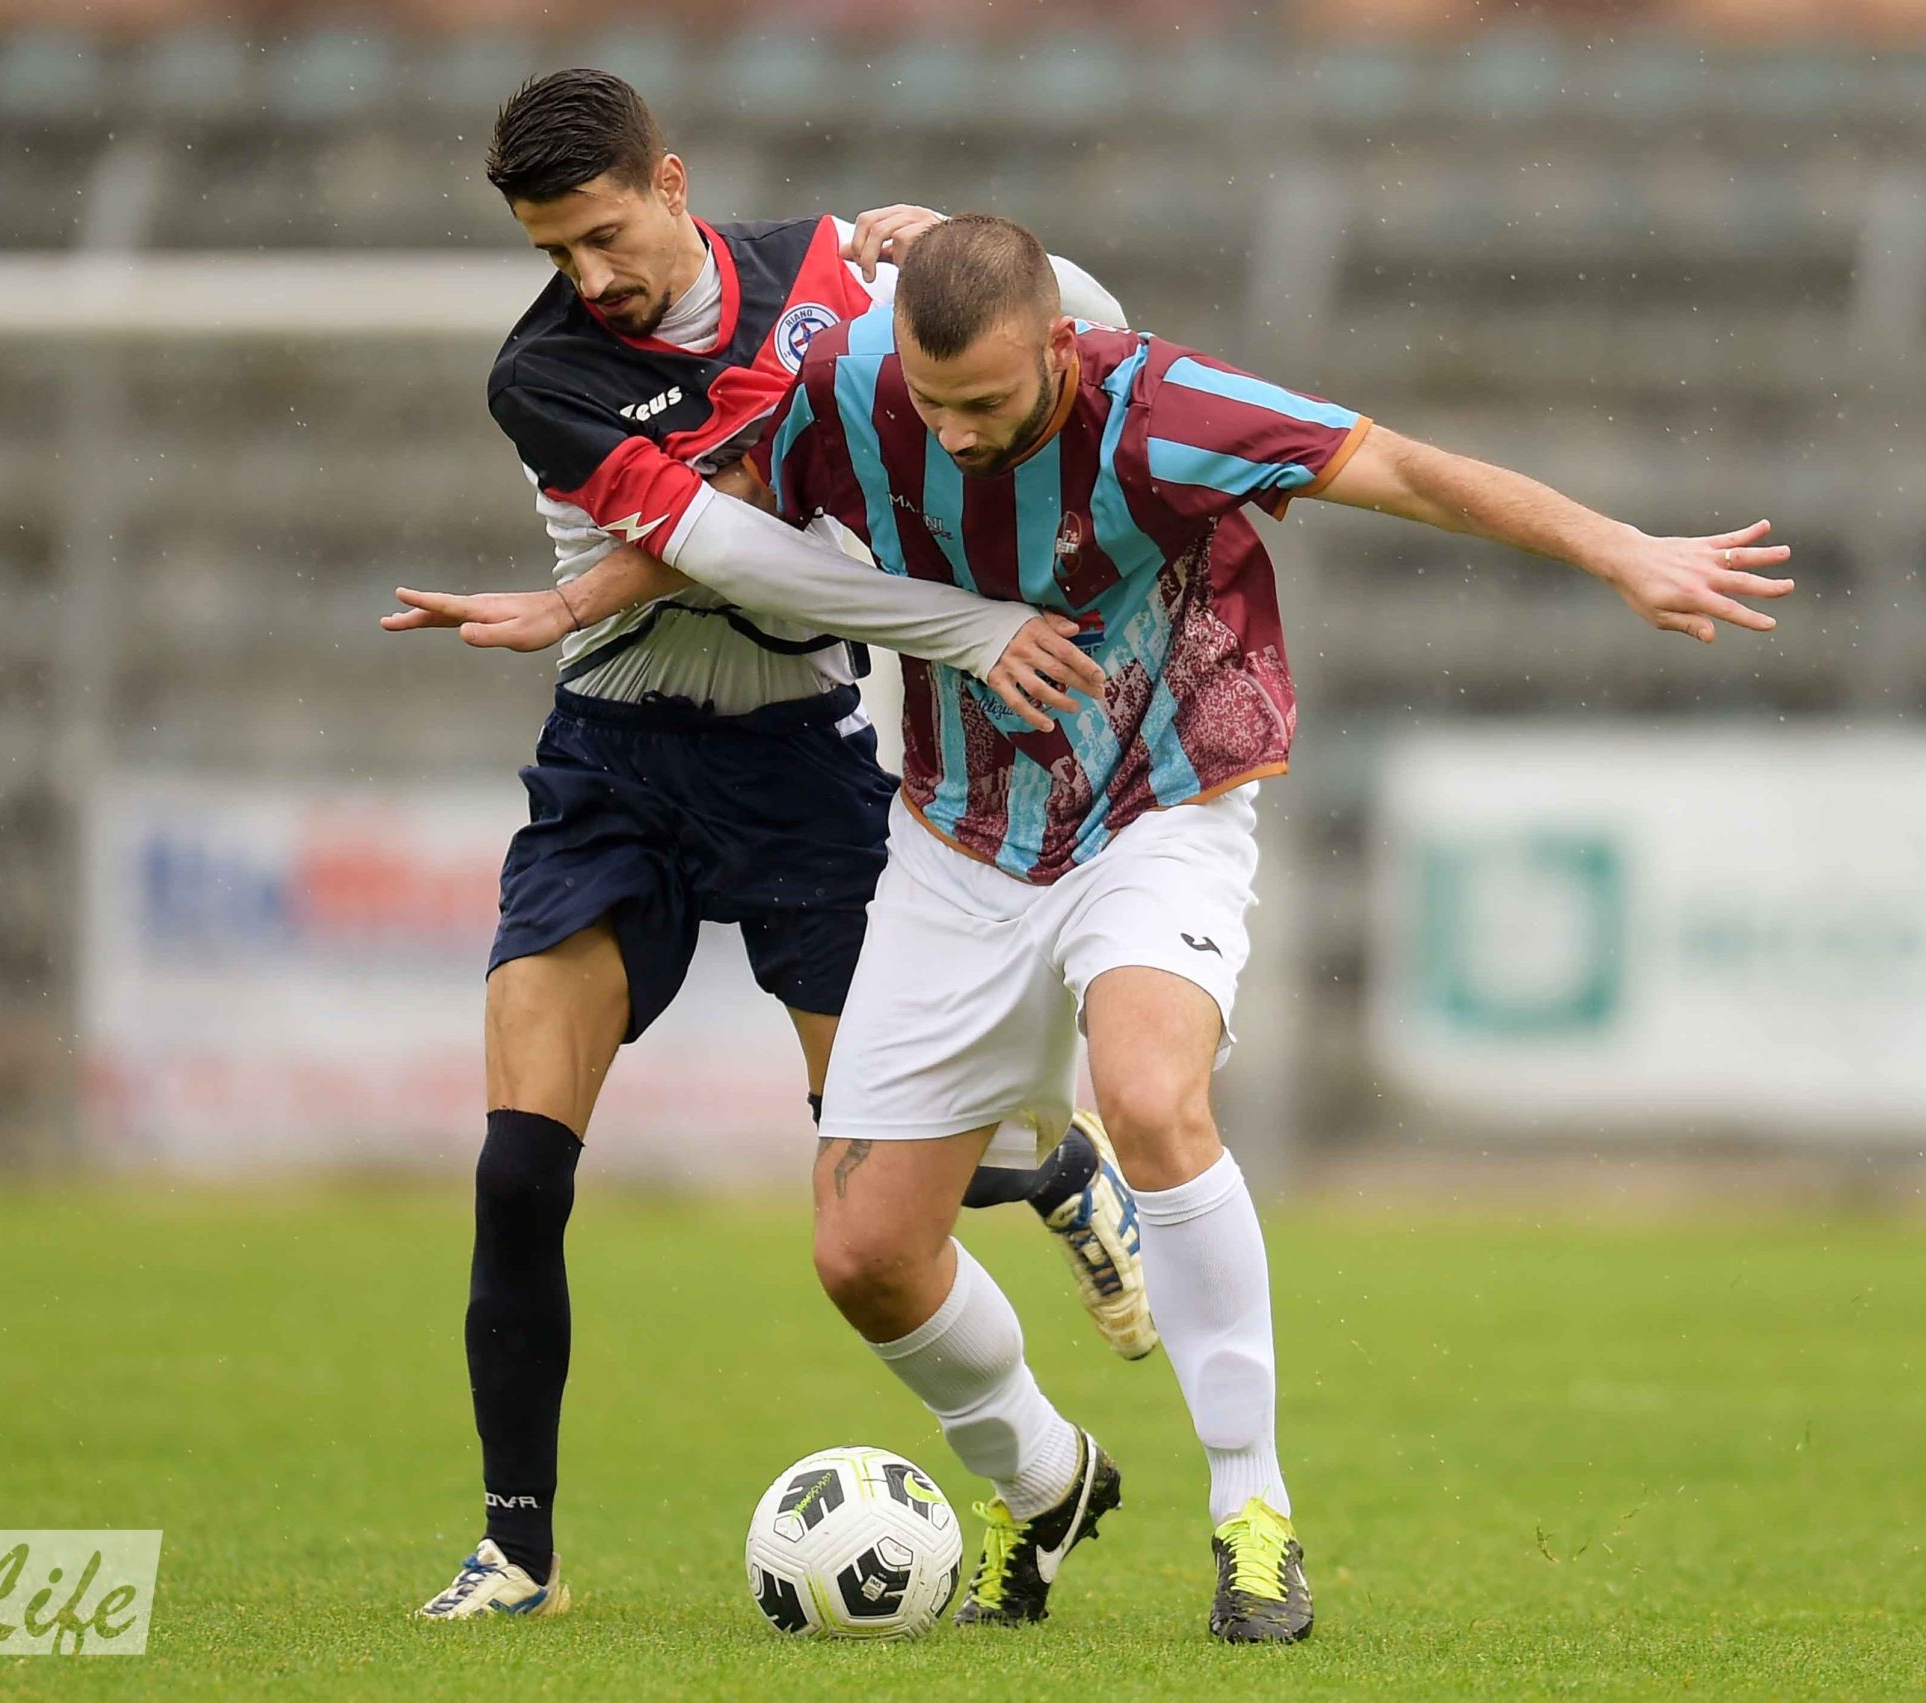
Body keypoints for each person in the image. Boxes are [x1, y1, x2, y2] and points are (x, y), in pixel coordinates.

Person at [478, 213, 1796, 1641]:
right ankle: (1042, 1478)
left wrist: (1619, 552)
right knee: (861, 1252)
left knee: (1154, 1098)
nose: (962, 435)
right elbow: (721, 531)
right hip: (958, 838)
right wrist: (572, 599)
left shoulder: (1168, 410)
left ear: (1059, 345)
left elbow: (1405, 466)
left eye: (989, 403)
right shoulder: (851, 393)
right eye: (937, 404)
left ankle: (1251, 1511)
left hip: (1160, 802)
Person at [383, 72, 1157, 1624]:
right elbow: (737, 558)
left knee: (892, 1190)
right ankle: (516, 1552)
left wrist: (961, 249)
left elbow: (1085, 325)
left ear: (671, 182)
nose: (589, 279)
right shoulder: (545, 378)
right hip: (611, 768)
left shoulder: (827, 271)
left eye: (606, 236)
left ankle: (1055, 1163)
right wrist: (972, 626)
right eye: (556, 255)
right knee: (520, 1169)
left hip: (801, 770)